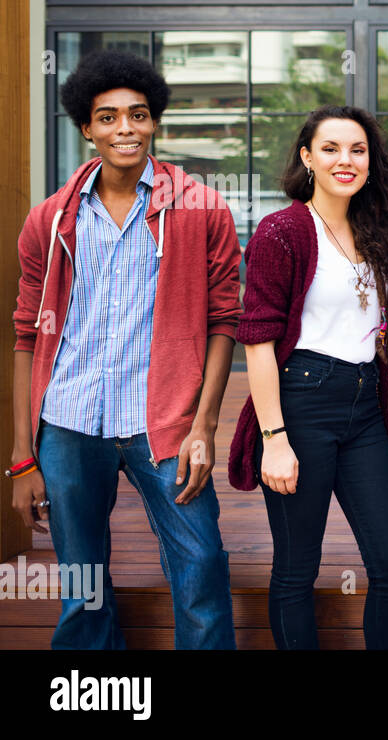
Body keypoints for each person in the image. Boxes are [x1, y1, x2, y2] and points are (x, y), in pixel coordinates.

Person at [8, 49, 239, 649]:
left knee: (202, 567)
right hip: (69, 422)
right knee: (82, 585)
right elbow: (27, 334)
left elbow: (224, 320)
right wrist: (21, 458)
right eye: (107, 118)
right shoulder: (49, 221)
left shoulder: (200, 209)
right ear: (86, 128)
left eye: (137, 115)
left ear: (155, 122)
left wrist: (204, 425)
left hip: (162, 422)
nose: (124, 129)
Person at [227, 105, 388, 649]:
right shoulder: (281, 231)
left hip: (363, 405)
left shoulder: (377, 230)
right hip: (301, 404)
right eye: (330, 149)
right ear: (307, 157)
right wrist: (274, 440)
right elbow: (258, 341)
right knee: (296, 569)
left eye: (357, 149)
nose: (345, 160)